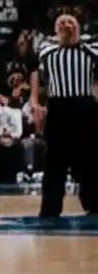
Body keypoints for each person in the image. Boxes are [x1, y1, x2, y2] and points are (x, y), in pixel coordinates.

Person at [29, 13, 98, 217]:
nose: (67, 25)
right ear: (56, 30)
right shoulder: (47, 49)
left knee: (91, 160)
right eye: (62, 23)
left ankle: (94, 205)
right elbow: (35, 72)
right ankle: (50, 210)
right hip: (58, 107)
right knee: (54, 163)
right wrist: (34, 101)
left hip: (85, 106)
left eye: (71, 22)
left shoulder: (92, 47)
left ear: (78, 28)